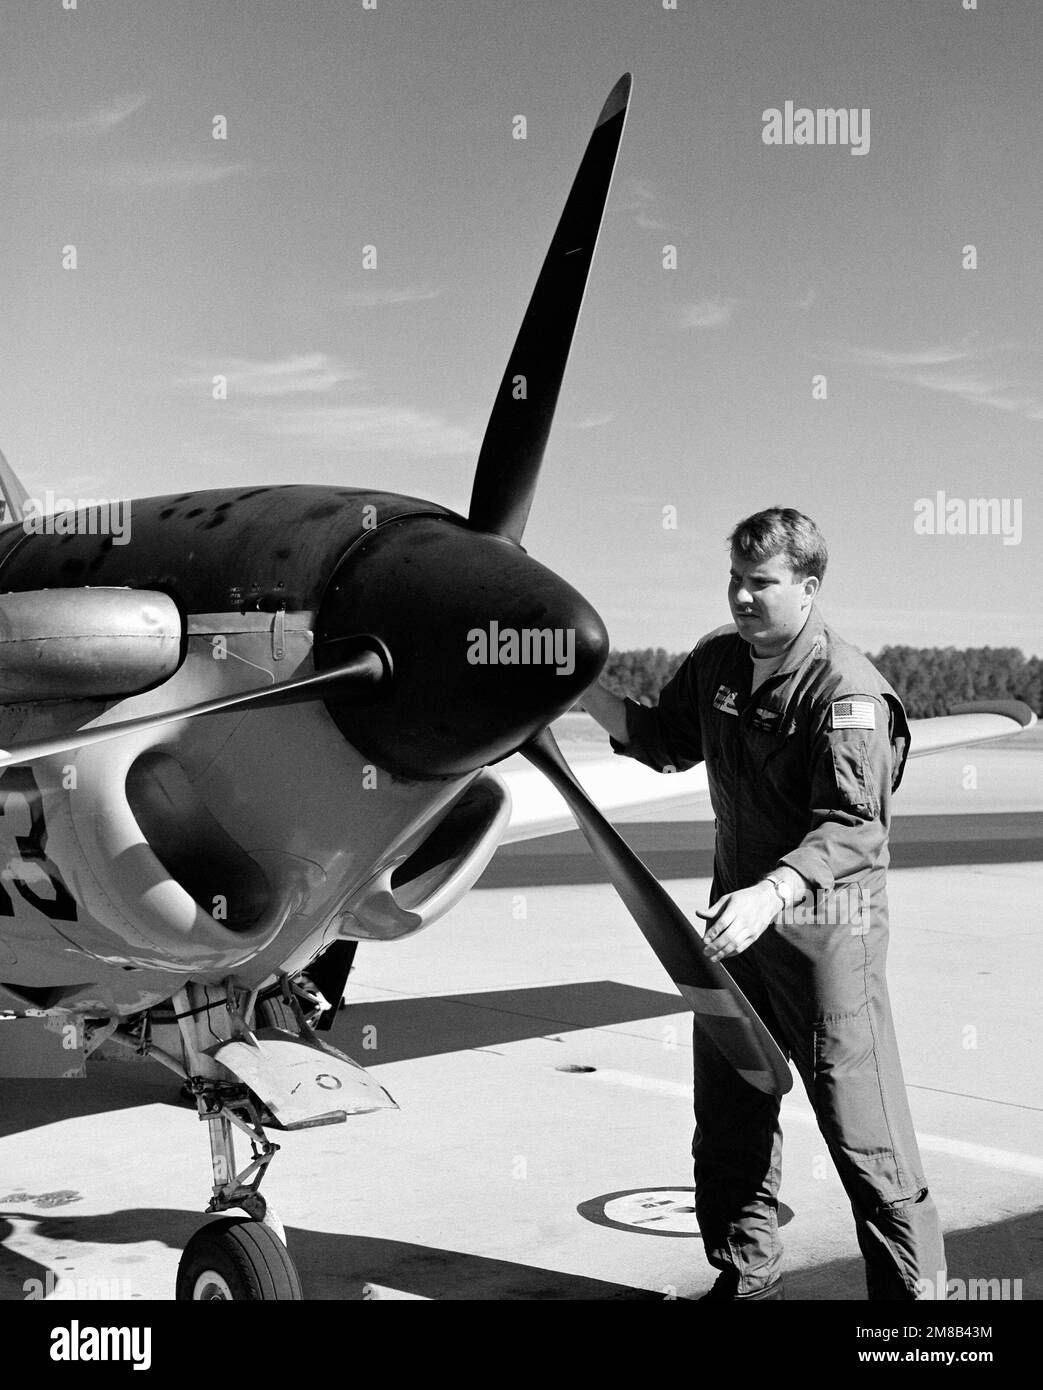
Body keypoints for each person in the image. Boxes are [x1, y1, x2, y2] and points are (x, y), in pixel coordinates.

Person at [582, 507, 945, 1301]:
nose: (742, 597)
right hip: (736, 929)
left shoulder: (846, 691)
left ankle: (915, 1311)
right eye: (735, 580)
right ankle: (745, 1282)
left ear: (808, 587)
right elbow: (662, 740)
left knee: (861, 1131)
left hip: (823, 936)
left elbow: (852, 827)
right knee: (729, 1117)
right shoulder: (718, 660)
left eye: (761, 583)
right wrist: (579, 691)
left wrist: (772, 891)